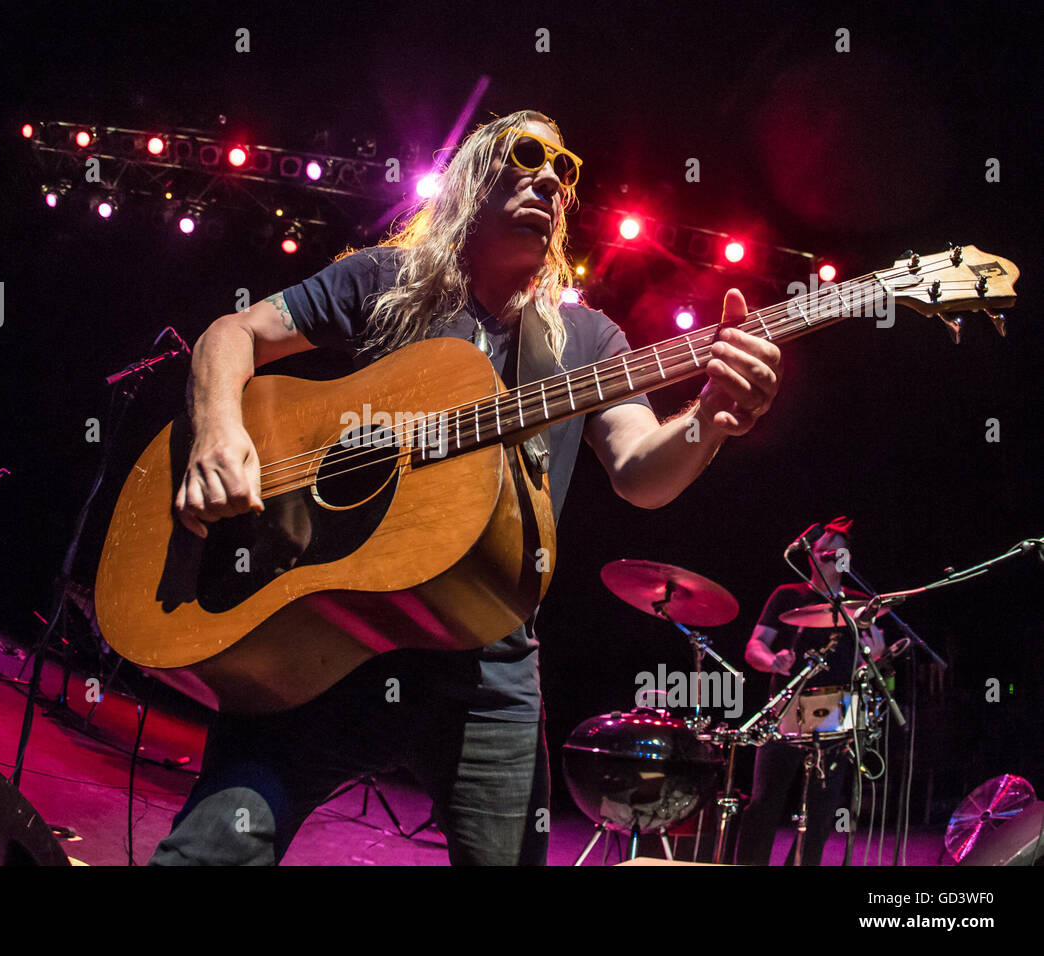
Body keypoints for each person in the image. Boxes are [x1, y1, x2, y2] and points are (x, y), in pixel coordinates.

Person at [151, 111, 782, 865]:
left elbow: (641, 474)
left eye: (566, 170)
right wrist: (220, 429)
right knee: (203, 857)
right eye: (528, 156)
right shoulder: (382, 281)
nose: (552, 179)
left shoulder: (586, 342)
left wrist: (707, 420)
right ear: (471, 181)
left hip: (486, 672)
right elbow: (234, 334)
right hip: (329, 637)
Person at [737, 517, 885, 865]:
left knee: (821, 810)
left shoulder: (861, 604)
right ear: (811, 554)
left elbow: (873, 661)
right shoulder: (788, 595)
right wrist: (772, 660)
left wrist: (875, 655)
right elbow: (755, 646)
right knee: (765, 801)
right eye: (825, 550)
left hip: (838, 708)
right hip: (787, 707)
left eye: (838, 551)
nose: (831, 556)